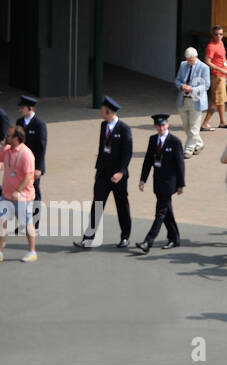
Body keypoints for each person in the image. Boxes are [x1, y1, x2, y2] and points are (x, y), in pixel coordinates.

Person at [75, 95, 133, 250]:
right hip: (103, 174)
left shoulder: (124, 128)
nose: (101, 112)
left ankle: (125, 237)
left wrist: (121, 172)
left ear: (108, 111)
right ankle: (88, 239)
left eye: (102, 109)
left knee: (122, 206)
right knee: (97, 205)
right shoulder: (103, 126)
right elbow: (101, 149)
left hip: (118, 176)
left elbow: (127, 153)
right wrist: (97, 169)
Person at [135, 113, 185, 253]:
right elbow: (148, 161)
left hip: (169, 183)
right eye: (159, 125)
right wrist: (143, 179)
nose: (161, 128)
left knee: (160, 213)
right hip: (157, 182)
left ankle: (148, 242)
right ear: (155, 126)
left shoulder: (174, 141)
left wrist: (181, 184)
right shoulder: (153, 140)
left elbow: (180, 164)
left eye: (163, 125)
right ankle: (174, 238)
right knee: (167, 211)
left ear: (167, 125)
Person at [0, 126, 38, 262]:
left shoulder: (26, 154)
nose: (6, 138)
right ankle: (0, 252)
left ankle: (32, 251)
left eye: (9, 136)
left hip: (23, 197)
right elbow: (1, 162)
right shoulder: (7, 150)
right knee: (2, 222)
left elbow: (29, 176)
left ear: (17, 138)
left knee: (27, 224)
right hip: (6, 195)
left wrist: (18, 191)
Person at [15, 96, 46, 220]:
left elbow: (41, 147)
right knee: (21, 193)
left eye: (22, 107)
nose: (20, 110)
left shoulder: (39, 124)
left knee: (34, 193)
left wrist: (39, 168)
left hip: (32, 167)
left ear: (30, 108)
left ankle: (36, 221)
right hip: (20, 164)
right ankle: (24, 222)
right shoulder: (19, 122)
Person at [201, 27, 227, 132]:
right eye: (216, 34)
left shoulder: (221, 43)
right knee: (216, 101)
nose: (219, 36)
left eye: (221, 34)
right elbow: (207, 62)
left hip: (223, 75)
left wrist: (226, 71)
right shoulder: (211, 46)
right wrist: (222, 70)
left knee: (222, 100)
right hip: (216, 76)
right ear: (212, 35)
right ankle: (205, 123)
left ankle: (223, 122)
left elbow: (222, 58)